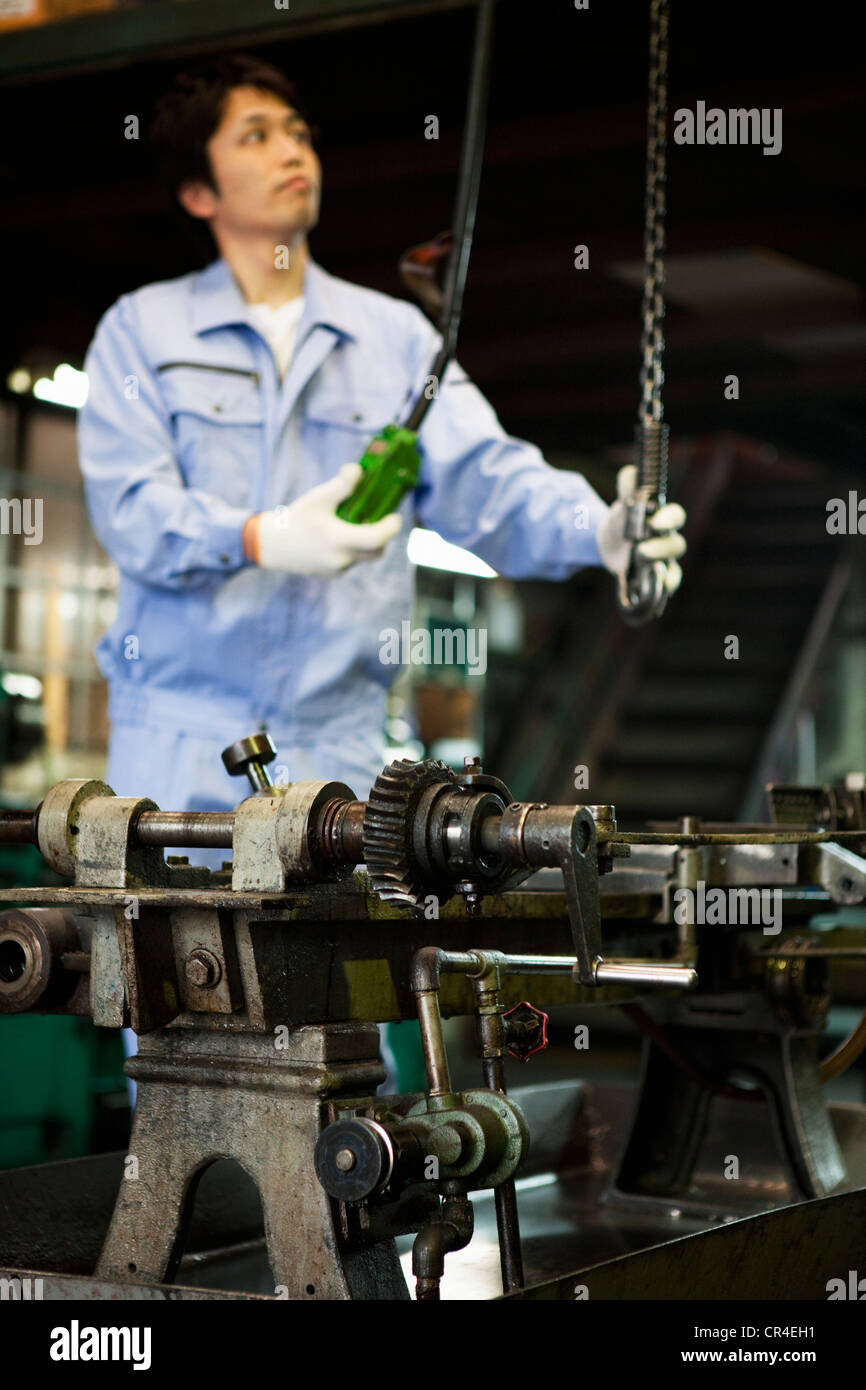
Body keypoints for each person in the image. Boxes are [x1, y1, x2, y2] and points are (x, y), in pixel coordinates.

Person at [77, 54, 685, 1087]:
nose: (291, 151)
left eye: (299, 130)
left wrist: (600, 530)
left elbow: (489, 484)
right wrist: (262, 536)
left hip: (340, 761)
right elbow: (131, 514)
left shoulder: (391, 338)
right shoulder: (142, 332)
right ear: (197, 189)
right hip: (177, 761)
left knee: (363, 1065)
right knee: (184, 1064)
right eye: (256, 135)